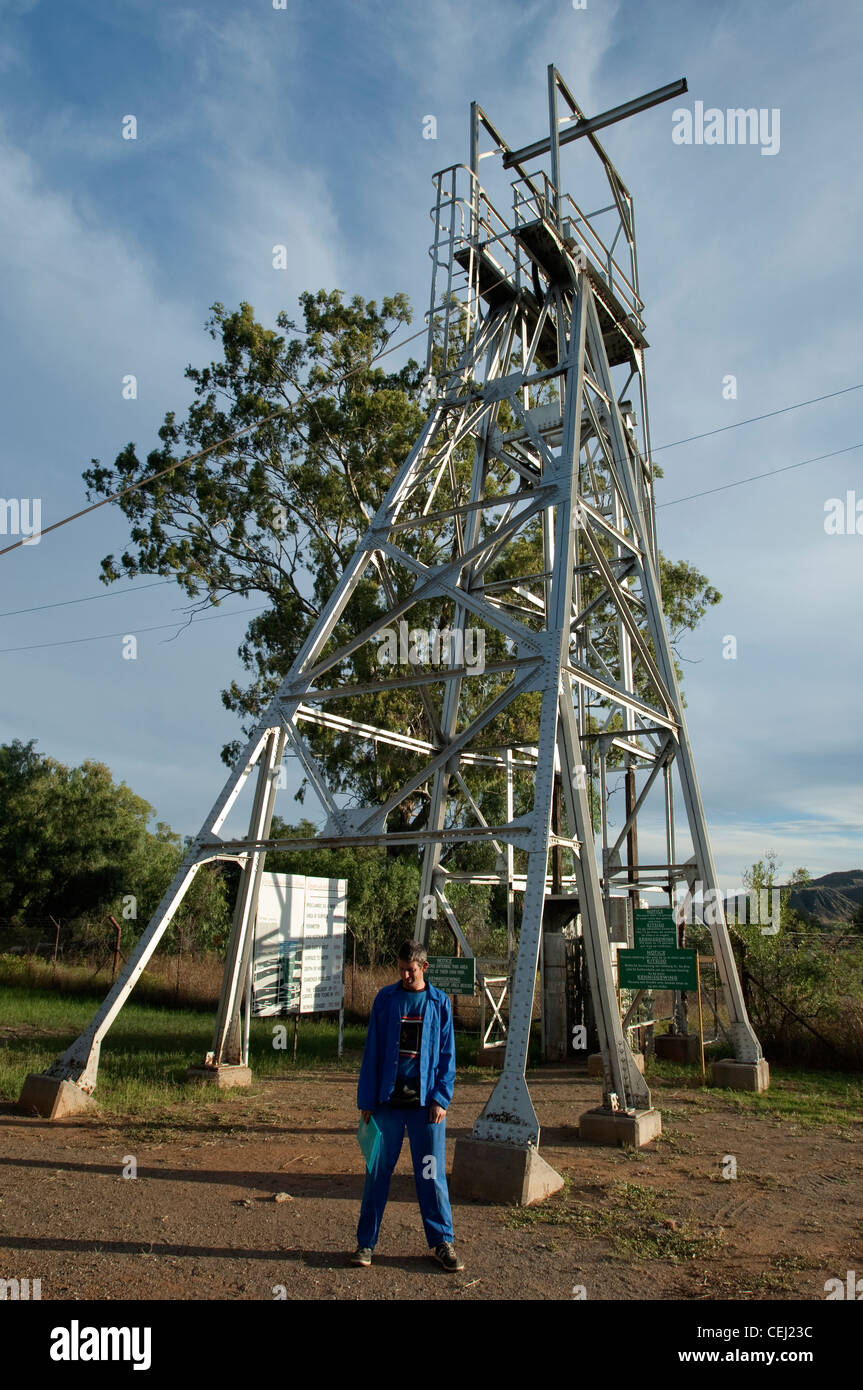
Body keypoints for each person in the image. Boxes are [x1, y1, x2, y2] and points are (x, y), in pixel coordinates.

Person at [351, 939, 464, 1271]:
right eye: (400, 969)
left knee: (430, 1175)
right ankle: (365, 1244)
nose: (404, 975)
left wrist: (442, 1098)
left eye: (410, 970)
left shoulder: (439, 1003)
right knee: (376, 1173)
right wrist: (366, 1101)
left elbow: (447, 1056)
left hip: (425, 1107)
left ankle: (442, 1242)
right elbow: (372, 1051)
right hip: (387, 1104)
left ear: (424, 967)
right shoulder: (386, 1000)